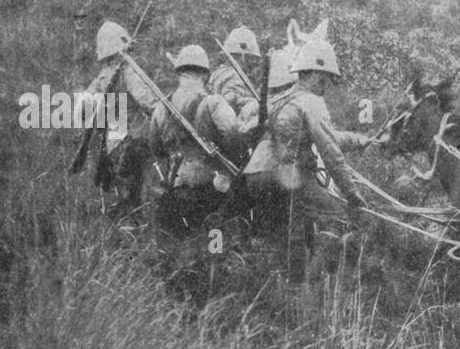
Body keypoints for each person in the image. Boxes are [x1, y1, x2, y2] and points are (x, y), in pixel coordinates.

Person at [239, 31, 370, 287]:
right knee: (339, 217)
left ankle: (290, 289)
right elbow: (331, 153)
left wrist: (359, 139)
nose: (326, 86)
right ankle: (312, 285)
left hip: (255, 176)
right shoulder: (311, 101)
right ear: (314, 73)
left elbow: (327, 137)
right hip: (285, 175)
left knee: (292, 234)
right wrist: (352, 193)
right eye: (326, 79)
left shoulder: (282, 99)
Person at [148, 43, 253, 231]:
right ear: (206, 75)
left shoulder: (160, 107)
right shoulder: (214, 103)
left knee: (178, 244)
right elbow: (234, 138)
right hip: (212, 188)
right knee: (216, 243)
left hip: (174, 183)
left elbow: (155, 147)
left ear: (178, 73)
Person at [82, 20, 161, 208]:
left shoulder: (103, 75)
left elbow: (85, 105)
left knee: (124, 188)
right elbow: (150, 104)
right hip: (134, 139)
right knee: (140, 189)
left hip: (111, 141)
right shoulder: (129, 71)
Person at [209, 25, 261, 112]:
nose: (252, 62)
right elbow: (232, 102)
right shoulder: (233, 75)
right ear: (242, 55)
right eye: (250, 57)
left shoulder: (217, 73)